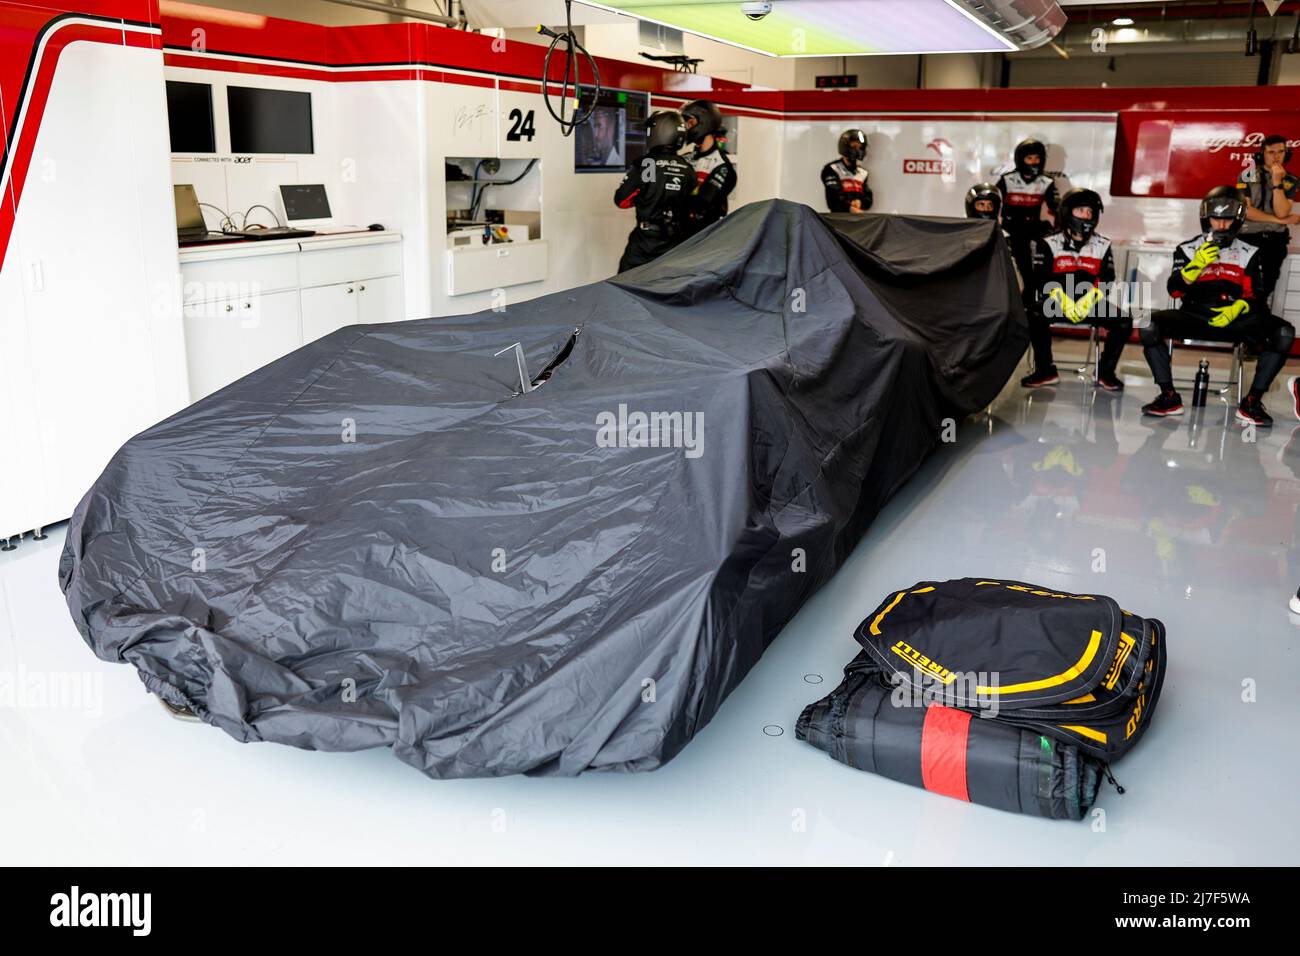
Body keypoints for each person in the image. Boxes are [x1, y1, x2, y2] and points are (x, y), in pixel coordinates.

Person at [1139, 185, 1296, 426]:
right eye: (1216, 219)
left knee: (1284, 332)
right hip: (1194, 317)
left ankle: (1252, 402)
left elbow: (1256, 295)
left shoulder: (1250, 252)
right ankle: (1168, 396)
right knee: (1148, 324)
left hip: (1235, 320)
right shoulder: (1187, 249)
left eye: (1227, 219)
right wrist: (1194, 266)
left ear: (1238, 219)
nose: (1221, 225)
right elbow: (1175, 290)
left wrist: (1239, 307)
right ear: (1206, 218)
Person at [1020, 188, 1131, 390]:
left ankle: (1105, 373)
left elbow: (1107, 279)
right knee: (1034, 312)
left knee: (1125, 321)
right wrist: (1064, 302)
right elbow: (1041, 279)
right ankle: (1045, 370)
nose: (1087, 216)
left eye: (1090, 212)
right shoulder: (1048, 243)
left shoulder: (1103, 244)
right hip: (1058, 300)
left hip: (1090, 301)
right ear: (1067, 212)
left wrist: (1087, 301)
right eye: (1081, 211)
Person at [613, 111, 694, 273]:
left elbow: (622, 200)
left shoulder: (649, 164)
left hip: (645, 244)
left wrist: (644, 199)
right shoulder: (687, 168)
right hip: (675, 244)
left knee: (624, 289)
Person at [1237, 134, 1300, 308]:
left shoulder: (1291, 180)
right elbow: (1247, 212)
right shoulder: (1247, 175)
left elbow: (1281, 211)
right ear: (1261, 154)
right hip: (1247, 238)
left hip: (1275, 241)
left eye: (1281, 152)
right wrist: (1282, 221)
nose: (1276, 156)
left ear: (1286, 154)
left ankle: (1256, 322)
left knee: (1266, 288)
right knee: (1244, 285)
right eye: (1271, 152)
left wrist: (1277, 182)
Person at [998, 138, 1059, 281]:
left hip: (1034, 225)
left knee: (1048, 251)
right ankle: (1028, 289)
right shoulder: (1007, 179)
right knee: (1023, 259)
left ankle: (1042, 287)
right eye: (1029, 158)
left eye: (1037, 158)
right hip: (1012, 227)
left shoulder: (1047, 181)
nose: (1034, 162)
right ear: (1021, 159)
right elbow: (994, 203)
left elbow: (1055, 208)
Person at [680, 99, 736, 235]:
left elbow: (702, 203)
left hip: (706, 239)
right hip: (680, 238)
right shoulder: (686, 158)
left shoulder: (722, 165)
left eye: (690, 122)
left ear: (705, 122)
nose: (686, 127)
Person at [966, 182, 1022, 290]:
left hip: (996, 290)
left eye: (989, 205)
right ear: (971, 206)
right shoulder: (963, 233)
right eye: (981, 205)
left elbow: (1018, 283)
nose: (986, 209)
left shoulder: (1005, 237)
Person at [822, 129, 872, 214]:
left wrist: (860, 202)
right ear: (845, 147)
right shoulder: (832, 169)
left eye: (860, 147)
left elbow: (868, 200)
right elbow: (833, 200)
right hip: (839, 219)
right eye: (855, 146)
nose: (858, 150)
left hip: (858, 220)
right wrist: (849, 207)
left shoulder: (863, 173)